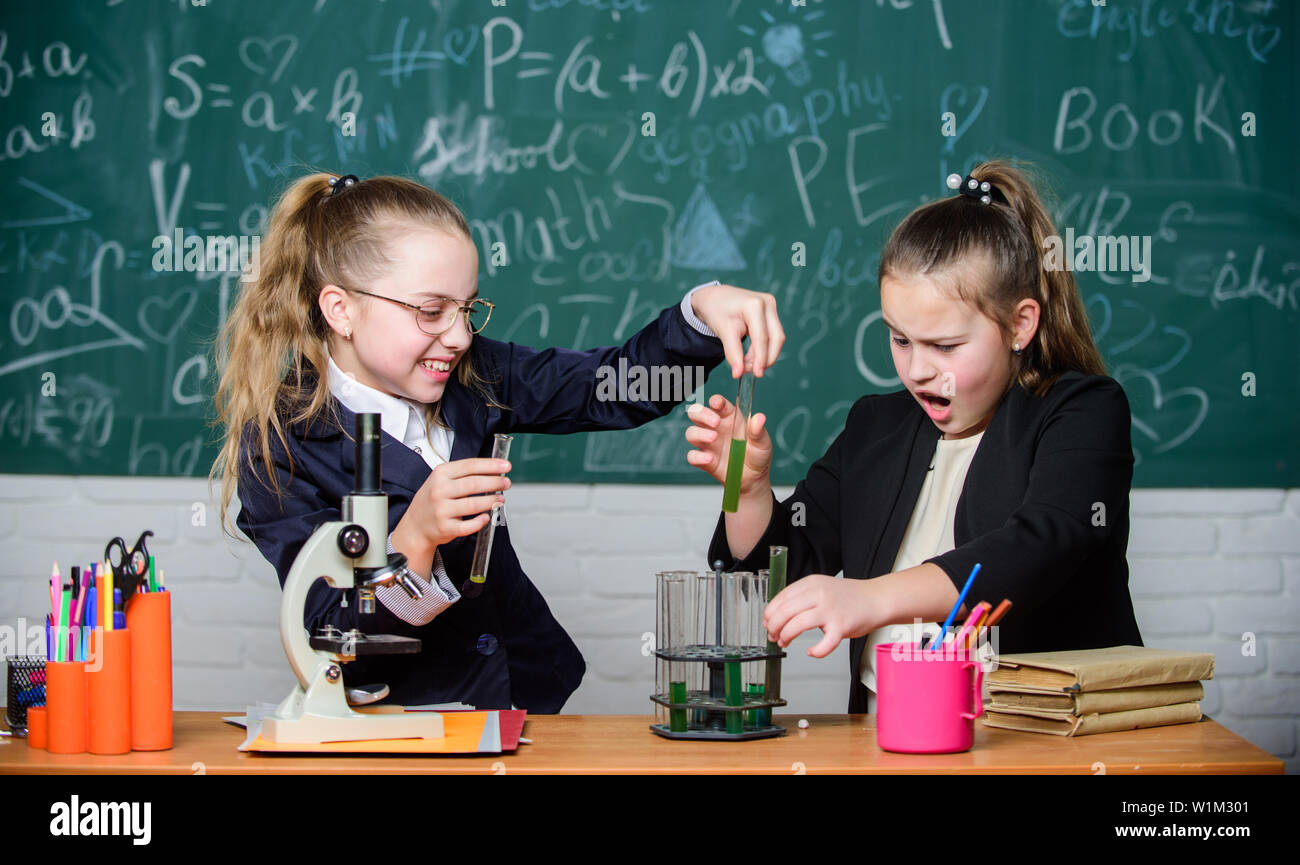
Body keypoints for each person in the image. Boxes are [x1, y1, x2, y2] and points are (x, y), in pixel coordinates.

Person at [212, 172, 784, 713]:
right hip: (400, 725)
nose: (460, 335)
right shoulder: (280, 445)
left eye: (467, 309)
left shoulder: (474, 374)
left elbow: (610, 389)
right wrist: (414, 539)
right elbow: (330, 635)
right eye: (431, 311)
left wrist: (699, 317)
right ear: (341, 309)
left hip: (523, 700)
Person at [685, 160, 1142, 713]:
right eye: (900, 340)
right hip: (889, 734)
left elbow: (1041, 545)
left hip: (1035, 736)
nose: (917, 370)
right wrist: (748, 486)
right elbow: (774, 578)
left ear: (1020, 324)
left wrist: (871, 597)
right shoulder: (875, 427)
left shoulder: (1083, 409)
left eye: (945, 346)